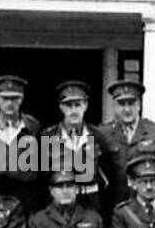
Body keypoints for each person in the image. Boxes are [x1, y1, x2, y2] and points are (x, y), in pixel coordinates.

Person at [98, 79, 155, 213]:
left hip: (154, 209)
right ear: (114, 106)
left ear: (139, 105)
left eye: (131, 103)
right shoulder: (103, 134)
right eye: (121, 104)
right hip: (117, 209)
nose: (127, 109)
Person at [37, 80, 114, 213]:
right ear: (61, 107)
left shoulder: (98, 137)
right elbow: (42, 179)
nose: (73, 111)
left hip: (91, 205)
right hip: (59, 204)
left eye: (78, 105)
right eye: (68, 105)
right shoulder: (48, 137)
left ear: (86, 105)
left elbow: (109, 177)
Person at [0, 74, 44, 212]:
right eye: (5, 98)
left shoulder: (32, 127)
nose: (9, 103)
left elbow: (41, 168)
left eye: (15, 98)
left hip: (26, 197)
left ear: (22, 98)